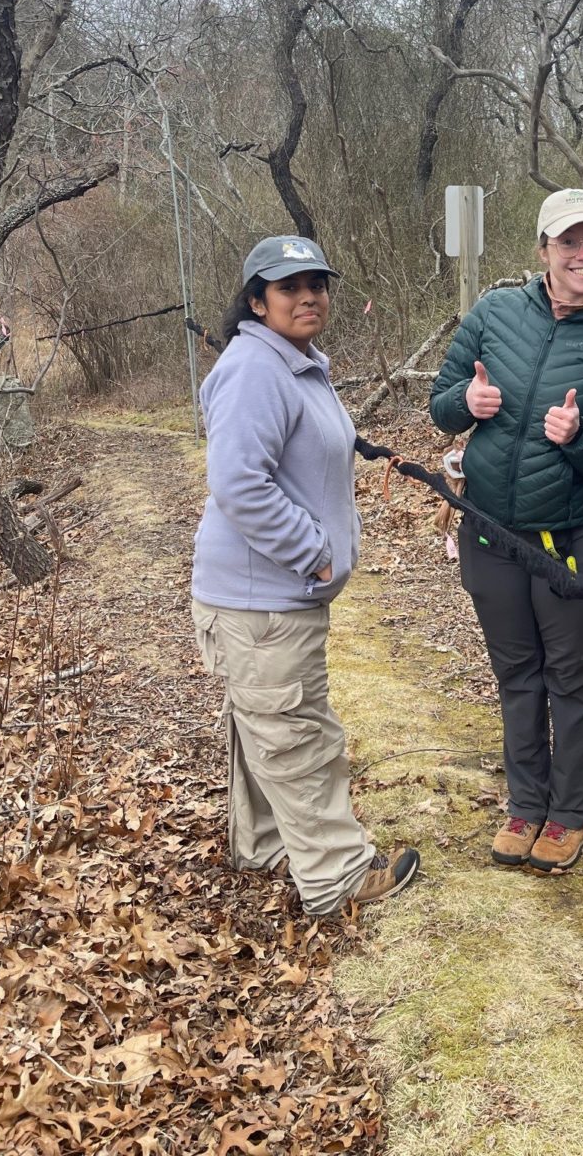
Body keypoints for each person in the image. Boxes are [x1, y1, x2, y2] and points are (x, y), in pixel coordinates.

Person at [191, 235, 419, 916]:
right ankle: (338, 878)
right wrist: (311, 551)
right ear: (257, 301)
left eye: (317, 283)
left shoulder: (296, 363)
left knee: (268, 721)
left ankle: (262, 844)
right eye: (289, 287)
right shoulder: (255, 369)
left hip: (268, 597)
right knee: (298, 735)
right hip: (263, 595)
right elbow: (237, 480)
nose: (308, 296)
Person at [430, 190, 583, 875]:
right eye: (569, 243)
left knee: (572, 679)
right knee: (517, 674)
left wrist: (580, 437)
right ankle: (526, 804)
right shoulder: (494, 314)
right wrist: (465, 402)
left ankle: (571, 813)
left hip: (570, 546)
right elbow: (439, 405)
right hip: (491, 537)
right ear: (543, 251)